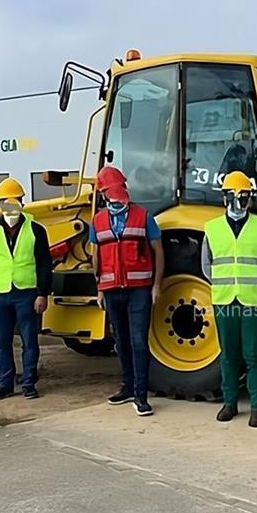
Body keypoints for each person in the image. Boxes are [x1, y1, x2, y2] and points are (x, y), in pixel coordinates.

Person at [201, 171, 257, 428]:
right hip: (224, 299)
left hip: (253, 300)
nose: (238, 201)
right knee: (228, 355)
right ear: (224, 197)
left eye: (243, 196)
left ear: (250, 198)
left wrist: (256, 285)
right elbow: (206, 265)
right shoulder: (212, 228)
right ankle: (230, 403)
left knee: (254, 355)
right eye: (233, 195)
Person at [90, 165, 164, 417]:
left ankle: (141, 396)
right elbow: (96, 256)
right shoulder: (97, 221)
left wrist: (156, 285)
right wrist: (100, 289)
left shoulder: (143, 216)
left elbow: (158, 251)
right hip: (112, 290)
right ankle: (128, 387)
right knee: (121, 342)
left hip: (139, 290)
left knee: (138, 342)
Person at [0, 177, 53, 400]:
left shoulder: (35, 230)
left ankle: (29, 383)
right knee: (2, 343)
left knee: (30, 341)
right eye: (6, 203)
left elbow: (44, 264)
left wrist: (42, 294)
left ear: (22, 203)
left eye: (14, 202)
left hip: (26, 293)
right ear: (0, 204)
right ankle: (5, 384)